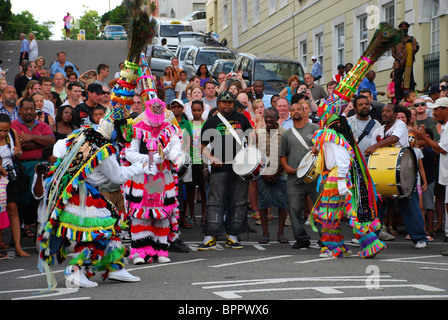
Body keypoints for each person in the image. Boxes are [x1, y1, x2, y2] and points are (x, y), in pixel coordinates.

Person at [125, 98, 183, 264]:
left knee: (161, 213)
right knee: (141, 214)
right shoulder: (136, 129)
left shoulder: (169, 128)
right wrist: (151, 158)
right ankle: (139, 251)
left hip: (162, 176)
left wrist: (170, 154)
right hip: (143, 176)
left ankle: (160, 249)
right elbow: (130, 154)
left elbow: (176, 147)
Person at [365, 104, 429, 248]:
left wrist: (375, 146)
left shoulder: (400, 125)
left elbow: (394, 138)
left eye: (388, 111)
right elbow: (374, 155)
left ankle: (420, 238)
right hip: (383, 173)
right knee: (377, 205)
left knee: (409, 205)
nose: (384, 113)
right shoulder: (377, 131)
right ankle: (370, 237)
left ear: (395, 114)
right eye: (383, 111)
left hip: (404, 171)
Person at [198, 91, 253, 250]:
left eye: (229, 103)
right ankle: (210, 235)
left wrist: (251, 151)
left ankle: (233, 235)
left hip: (239, 168)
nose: (227, 105)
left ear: (234, 104)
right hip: (219, 168)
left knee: (239, 202)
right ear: (218, 103)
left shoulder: (242, 119)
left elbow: (252, 138)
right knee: (215, 202)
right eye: (223, 102)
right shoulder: (211, 122)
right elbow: (201, 147)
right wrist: (211, 158)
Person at [11, 98, 55, 242]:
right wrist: (39, 142)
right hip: (23, 166)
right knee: (22, 200)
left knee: (40, 200)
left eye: (32, 109)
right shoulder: (13, 125)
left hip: (41, 166)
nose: (29, 112)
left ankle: (36, 229)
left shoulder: (42, 125)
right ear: (20, 110)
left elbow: (51, 141)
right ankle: (19, 232)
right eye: (26, 109)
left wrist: (29, 137)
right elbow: (20, 146)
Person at [279, 103, 320, 249]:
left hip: (315, 177)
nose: (296, 111)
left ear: (305, 112)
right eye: (293, 110)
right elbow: (282, 155)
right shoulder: (286, 134)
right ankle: (301, 238)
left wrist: (318, 148)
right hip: (294, 179)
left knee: (320, 208)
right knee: (295, 209)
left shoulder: (315, 129)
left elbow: (324, 146)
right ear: (290, 113)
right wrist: (286, 167)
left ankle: (326, 236)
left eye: (299, 109)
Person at [413, 98, 448, 255]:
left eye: (437, 109)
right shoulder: (445, 126)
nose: (434, 113)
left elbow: (441, 148)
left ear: (446, 109)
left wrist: (424, 137)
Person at [256, 108, 288, 244]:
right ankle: (265, 232)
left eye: (271, 117)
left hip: (280, 173)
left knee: (282, 203)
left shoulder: (285, 134)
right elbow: (255, 155)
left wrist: (277, 171)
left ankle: (280, 232)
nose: (268, 120)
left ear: (277, 118)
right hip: (263, 174)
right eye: (266, 117)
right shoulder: (258, 133)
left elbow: (287, 155)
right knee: (263, 203)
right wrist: (264, 173)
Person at [0, 113, 29, 257]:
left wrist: (18, 152)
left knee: (13, 209)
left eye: (5, 130)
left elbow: (19, 154)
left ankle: (18, 247)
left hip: (10, 177)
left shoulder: (12, 133)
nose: (3, 133)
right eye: (0, 130)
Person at [169, 98, 193, 229]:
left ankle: (182, 218)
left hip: (183, 160)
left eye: (178, 106)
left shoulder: (186, 123)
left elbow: (189, 142)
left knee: (183, 191)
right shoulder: (166, 123)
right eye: (174, 106)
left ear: (182, 109)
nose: (176, 108)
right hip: (170, 161)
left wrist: (184, 157)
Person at [189, 99, 207, 226]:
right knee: (190, 189)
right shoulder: (188, 124)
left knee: (203, 189)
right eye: (194, 110)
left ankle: (204, 215)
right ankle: (192, 215)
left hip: (202, 161)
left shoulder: (206, 124)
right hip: (191, 160)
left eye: (198, 110)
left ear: (203, 110)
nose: (196, 112)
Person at [347, 94, 381, 159]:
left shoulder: (377, 124)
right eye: (360, 105)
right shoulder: (348, 122)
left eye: (366, 104)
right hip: (354, 163)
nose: (364, 106)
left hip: (372, 163)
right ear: (355, 108)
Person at [392, 21, 419, 103]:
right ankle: (398, 100)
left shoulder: (412, 39)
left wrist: (405, 59)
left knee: (410, 82)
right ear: (399, 28)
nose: (404, 28)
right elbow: (393, 53)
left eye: (405, 26)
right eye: (402, 27)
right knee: (397, 83)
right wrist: (400, 60)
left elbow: (413, 51)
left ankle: (409, 98)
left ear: (408, 28)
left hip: (408, 64)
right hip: (398, 64)